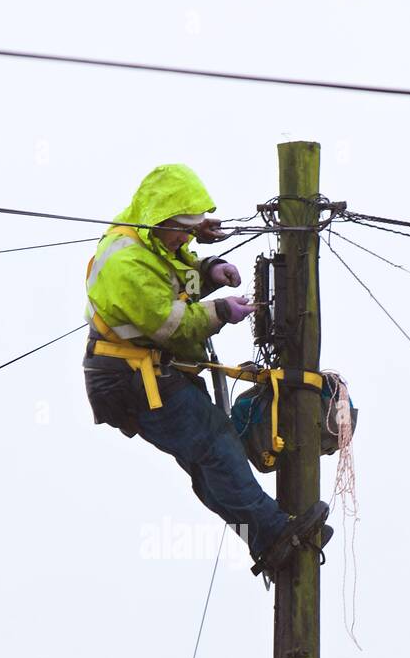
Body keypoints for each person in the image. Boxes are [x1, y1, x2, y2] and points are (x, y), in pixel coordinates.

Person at [83, 163, 331, 575]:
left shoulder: (151, 243)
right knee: (217, 447)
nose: (186, 237)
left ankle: (266, 542)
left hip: (141, 373)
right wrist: (222, 311)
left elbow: (177, 280)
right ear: (160, 219)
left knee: (208, 461)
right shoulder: (126, 264)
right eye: (183, 228)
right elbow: (172, 322)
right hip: (130, 377)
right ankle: (272, 534)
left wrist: (210, 271)